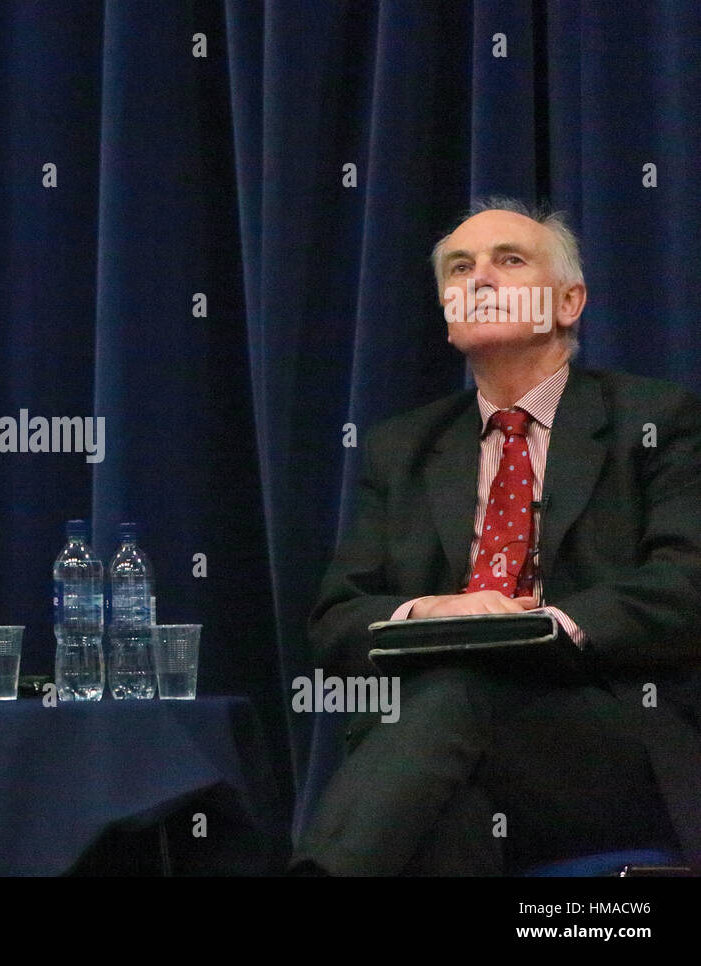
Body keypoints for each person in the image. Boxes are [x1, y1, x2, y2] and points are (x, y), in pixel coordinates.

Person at [293, 198, 701, 874]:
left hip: (611, 737)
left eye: (508, 260)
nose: (478, 279)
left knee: (457, 691)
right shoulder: (405, 448)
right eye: (459, 268)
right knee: (446, 808)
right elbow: (335, 619)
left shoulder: (654, 420)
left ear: (568, 302)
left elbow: (686, 584)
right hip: (445, 752)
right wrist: (434, 610)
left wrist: (537, 627)